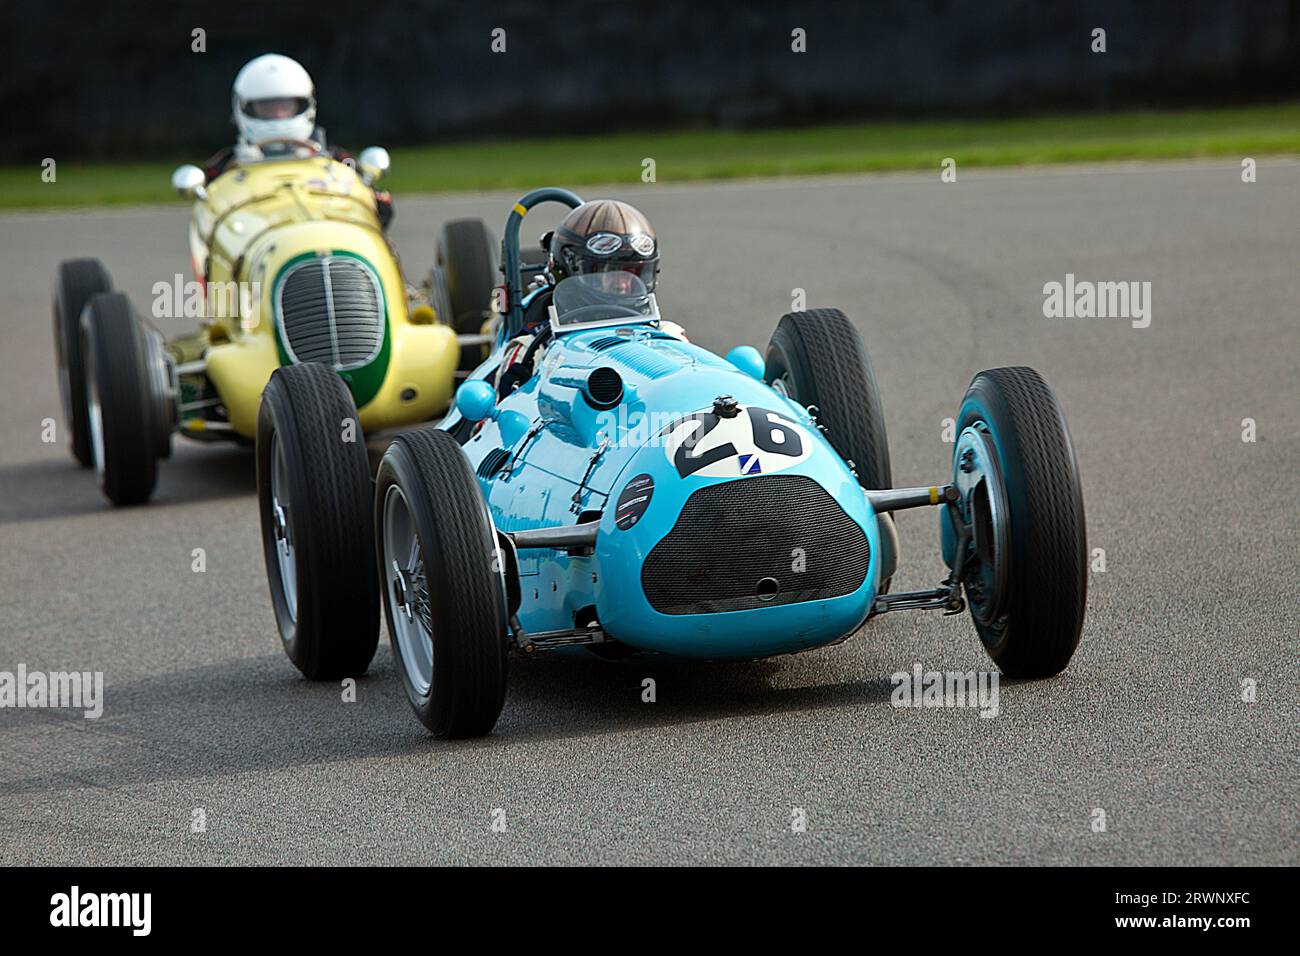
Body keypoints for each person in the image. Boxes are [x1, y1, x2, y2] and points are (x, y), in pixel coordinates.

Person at [200, 54, 393, 228]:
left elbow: (379, 211)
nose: (278, 115)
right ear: (245, 108)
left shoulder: (338, 161)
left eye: (285, 107)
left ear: (303, 106)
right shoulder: (224, 168)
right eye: (267, 109)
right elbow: (206, 218)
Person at [496, 199, 666, 396]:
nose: (623, 285)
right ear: (570, 272)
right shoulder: (530, 349)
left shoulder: (668, 334)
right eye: (608, 275)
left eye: (635, 275)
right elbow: (496, 420)